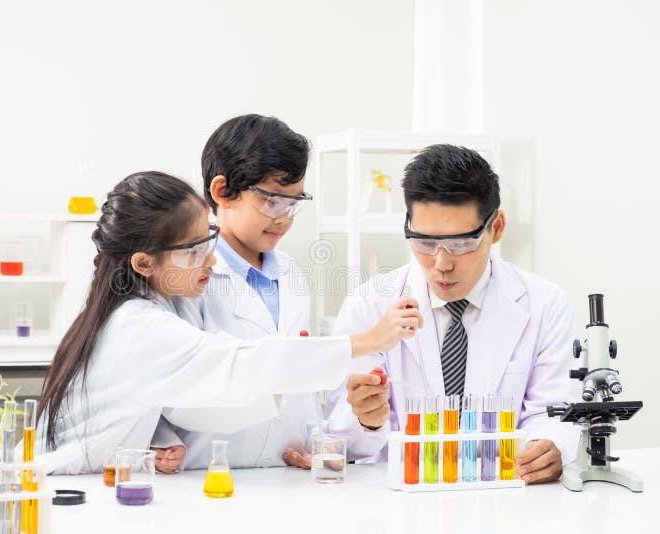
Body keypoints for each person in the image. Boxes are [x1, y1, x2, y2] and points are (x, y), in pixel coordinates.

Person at [35, 171, 413, 474]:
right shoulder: (140, 328)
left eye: (208, 241)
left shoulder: (136, 314)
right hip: (64, 487)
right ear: (144, 264)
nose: (212, 260)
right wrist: (367, 340)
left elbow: (197, 402)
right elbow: (242, 362)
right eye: (194, 250)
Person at [326, 144, 579, 484]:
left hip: (503, 497)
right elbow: (344, 442)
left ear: (497, 228)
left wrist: (550, 445)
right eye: (424, 242)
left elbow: (554, 413)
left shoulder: (545, 305)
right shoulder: (369, 305)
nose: (441, 264)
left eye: (461, 243)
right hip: (402, 501)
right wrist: (367, 420)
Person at [152, 114, 319, 470]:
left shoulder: (292, 275)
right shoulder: (186, 278)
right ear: (222, 192)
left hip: (284, 473)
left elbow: (302, 382)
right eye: (273, 201)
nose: (285, 218)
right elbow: (169, 379)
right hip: (205, 472)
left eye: (294, 203)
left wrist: (316, 441)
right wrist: (161, 441)